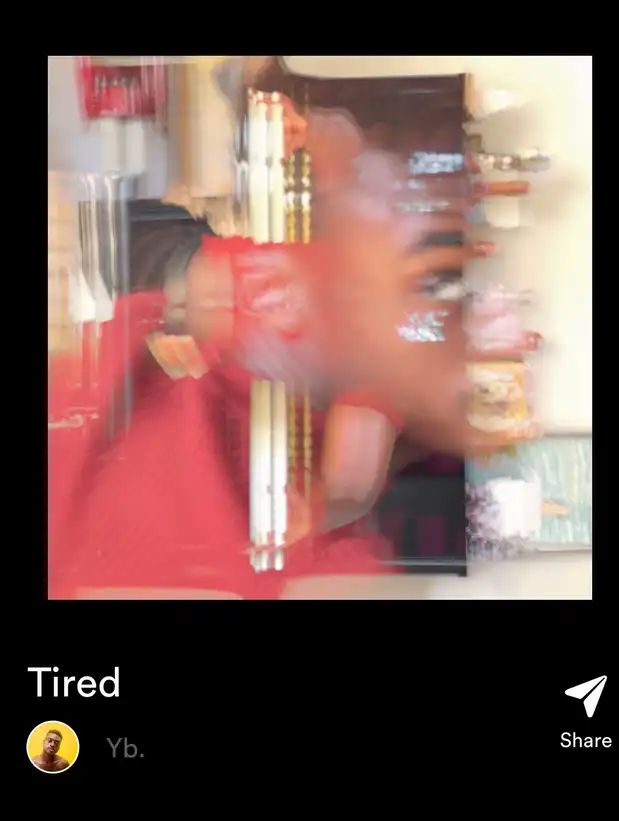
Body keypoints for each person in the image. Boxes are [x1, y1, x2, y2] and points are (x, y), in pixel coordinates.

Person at [48, 77, 516, 600]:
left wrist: (317, 513)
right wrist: (301, 126)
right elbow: (343, 149)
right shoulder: (359, 231)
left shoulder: (371, 379)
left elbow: (352, 482)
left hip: (177, 347)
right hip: (178, 297)